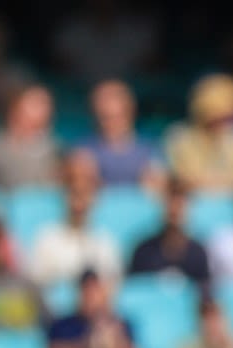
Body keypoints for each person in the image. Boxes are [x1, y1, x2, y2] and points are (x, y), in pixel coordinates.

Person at [165, 74, 233, 193]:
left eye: (232, 116)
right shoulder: (181, 137)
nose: (230, 122)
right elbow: (189, 179)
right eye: (223, 117)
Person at [30, 152, 123, 288]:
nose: (79, 204)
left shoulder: (105, 241)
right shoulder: (46, 237)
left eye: (85, 194)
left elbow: (112, 285)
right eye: (74, 194)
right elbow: (36, 283)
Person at [79, 80, 163, 189]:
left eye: (118, 116)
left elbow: (158, 189)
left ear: (131, 112)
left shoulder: (151, 150)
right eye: (105, 117)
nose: (112, 124)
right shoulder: (83, 152)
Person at [128, 179, 211, 284]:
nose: (174, 209)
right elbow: (135, 289)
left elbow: (205, 289)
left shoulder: (198, 254)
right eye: (170, 201)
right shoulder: (144, 252)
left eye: (180, 203)